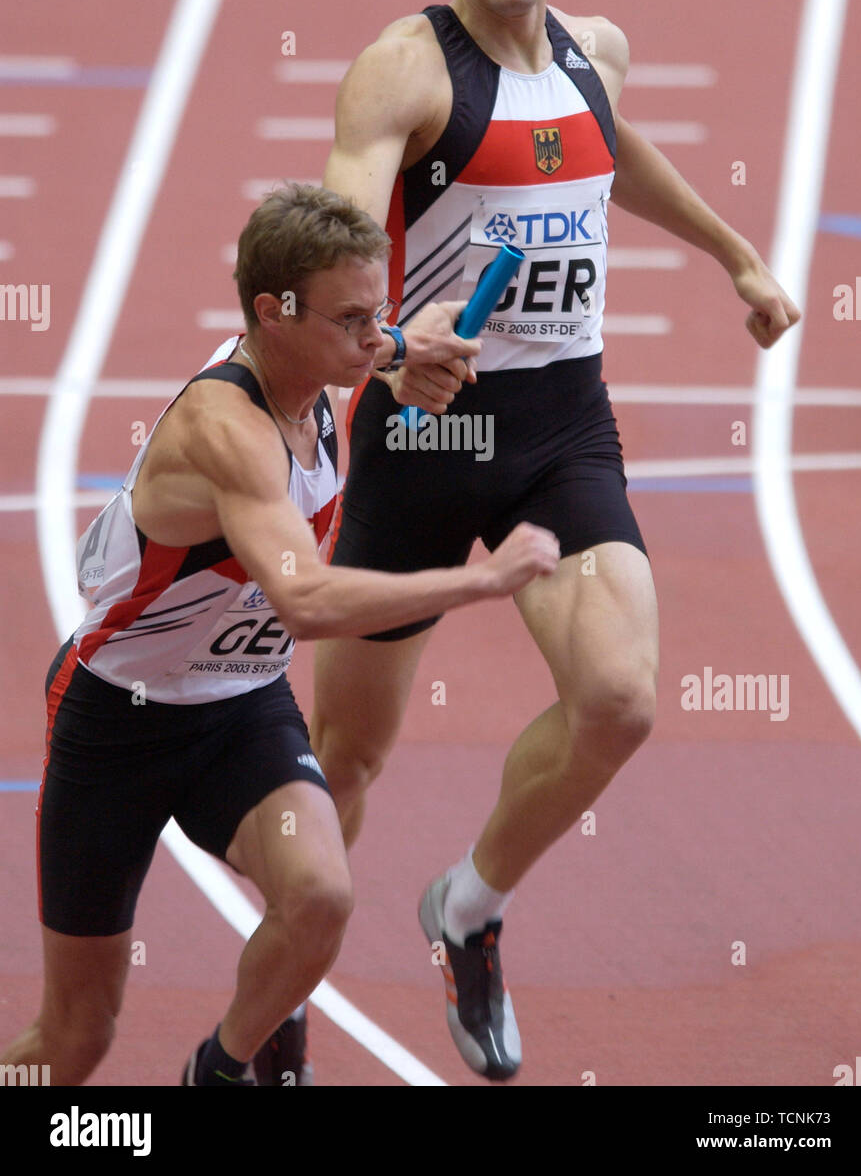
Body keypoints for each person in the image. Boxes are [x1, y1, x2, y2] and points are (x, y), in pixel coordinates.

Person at [309, 0, 802, 1081]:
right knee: (349, 756)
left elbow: (605, 151)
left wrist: (732, 252)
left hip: (559, 425)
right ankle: (282, 978)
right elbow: (334, 259)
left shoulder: (595, 53)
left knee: (620, 700)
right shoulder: (403, 72)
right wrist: (388, 344)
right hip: (424, 430)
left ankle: (467, 904)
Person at [0, 182, 558, 1087]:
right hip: (118, 722)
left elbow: (386, 344)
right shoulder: (228, 432)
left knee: (320, 896)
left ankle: (219, 1072)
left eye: (375, 310)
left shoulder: (326, 357)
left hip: (240, 711)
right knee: (76, 1040)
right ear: (272, 311)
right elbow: (301, 603)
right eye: (350, 319)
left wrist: (414, 343)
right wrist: (479, 579)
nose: (370, 334)